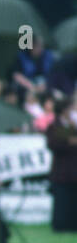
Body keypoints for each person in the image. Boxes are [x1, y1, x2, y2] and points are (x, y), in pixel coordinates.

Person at [45, 95, 77, 231]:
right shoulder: (55, 126)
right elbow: (53, 144)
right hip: (62, 170)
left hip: (73, 169)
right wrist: (69, 142)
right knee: (62, 200)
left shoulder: (72, 125)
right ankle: (61, 226)